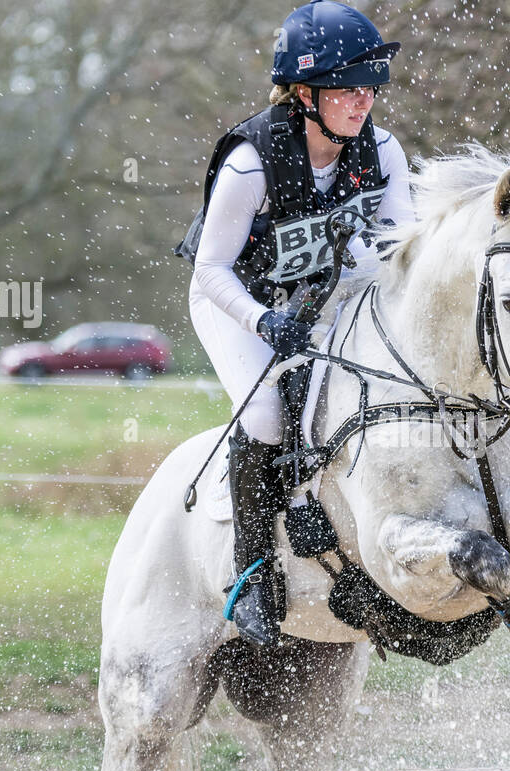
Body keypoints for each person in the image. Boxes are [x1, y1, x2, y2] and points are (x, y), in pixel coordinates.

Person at [180, 0, 414, 647]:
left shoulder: (382, 150)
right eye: (347, 88)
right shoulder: (253, 161)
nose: (363, 101)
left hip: (328, 295)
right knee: (265, 418)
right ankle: (251, 571)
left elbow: (401, 254)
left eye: (370, 87)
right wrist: (262, 322)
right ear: (303, 93)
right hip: (239, 300)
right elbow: (211, 270)